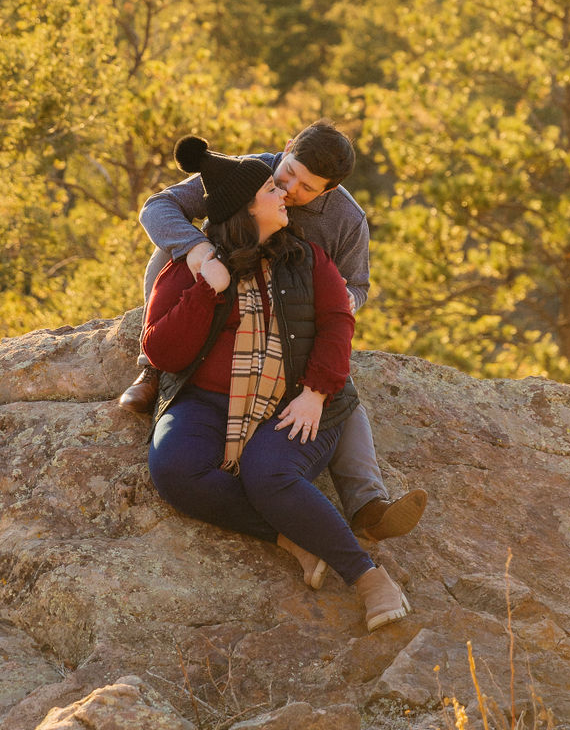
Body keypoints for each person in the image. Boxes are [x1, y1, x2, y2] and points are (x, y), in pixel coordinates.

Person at [144, 134, 411, 633]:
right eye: (276, 186)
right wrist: (206, 283)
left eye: (300, 188)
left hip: (295, 398)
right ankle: (292, 534)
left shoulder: (313, 254)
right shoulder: (194, 265)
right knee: (174, 469)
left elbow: (338, 323)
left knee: (268, 472)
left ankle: (369, 577)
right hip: (203, 399)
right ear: (248, 205)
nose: (286, 193)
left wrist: (315, 391)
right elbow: (166, 352)